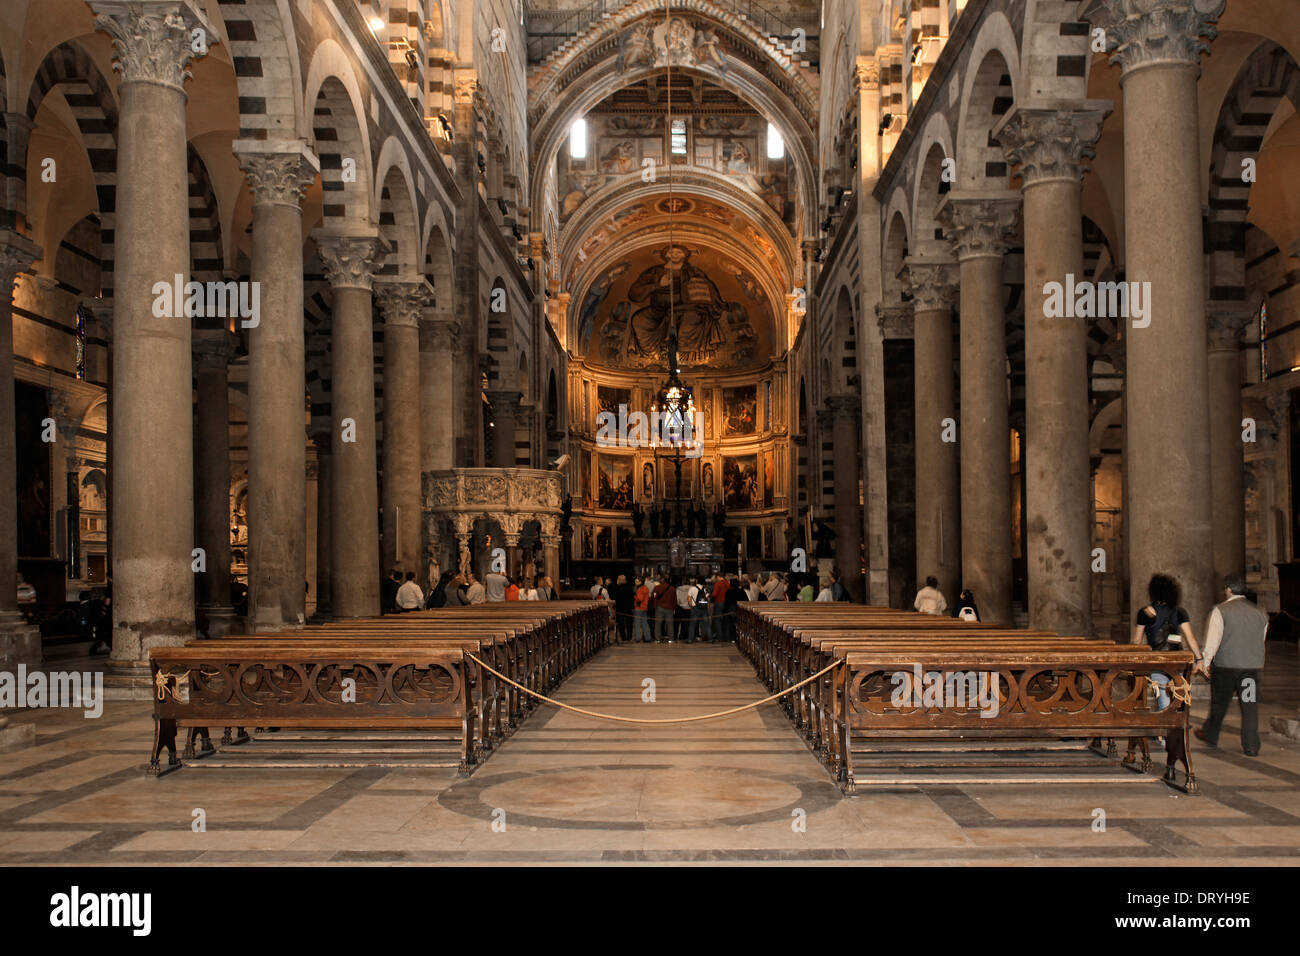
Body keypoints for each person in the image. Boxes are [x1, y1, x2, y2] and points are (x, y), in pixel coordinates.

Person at [1126, 573, 1204, 776]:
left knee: (1161, 696)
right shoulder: (1179, 612)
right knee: (1177, 695)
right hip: (1176, 661)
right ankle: (1175, 731)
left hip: (1158, 660)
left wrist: (1134, 655)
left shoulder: (1146, 612)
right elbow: (1191, 638)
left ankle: (1165, 733)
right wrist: (1199, 659)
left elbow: (1136, 641)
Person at [1195, 574, 1268, 757]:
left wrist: (1206, 661)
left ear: (1228, 589)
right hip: (1251, 668)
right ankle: (1251, 745)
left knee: (1220, 703)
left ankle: (1211, 735)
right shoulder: (1260, 612)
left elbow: (1213, 640)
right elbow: (1261, 639)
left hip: (1226, 667)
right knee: (1249, 705)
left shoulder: (1221, 610)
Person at [611, 574, 635, 643]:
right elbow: (632, 598)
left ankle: (623, 637)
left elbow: (614, 598)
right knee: (629, 624)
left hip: (619, 608)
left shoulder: (616, 588)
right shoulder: (629, 588)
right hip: (628, 608)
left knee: (621, 624)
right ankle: (629, 637)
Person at [689, 576, 712, 643]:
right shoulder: (705, 589)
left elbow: (689, 599)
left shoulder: (692, 588)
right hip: (704, 609)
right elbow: (708, 599)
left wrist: (691, 606)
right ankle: (710, 639)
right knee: (707, 624)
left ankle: (690, 639)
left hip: (695, 608)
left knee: (692, 625)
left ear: (697, 581)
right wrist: (708, 608)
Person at [653, 575, 676, 642]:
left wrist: (654, 605)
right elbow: (674, 599)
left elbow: (654, 597)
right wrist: (673, 608)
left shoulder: (657, 588)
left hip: (659, 608)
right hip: (669, 608)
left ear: (661, 580)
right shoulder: (672, 588)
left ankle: (657, 639)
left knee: (658, 624)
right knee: (670, 624)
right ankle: (671, 639)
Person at [721, 575, 744, 642]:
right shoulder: (741, 591)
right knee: (738, 625)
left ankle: (730, 638)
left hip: (730, 610)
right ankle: (738, 638)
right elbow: (746, 600)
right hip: (739, 610)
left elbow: (726, 602)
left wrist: (724, 610)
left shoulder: (728, 592)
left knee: (730, 625)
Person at [676, 577, 699, 642]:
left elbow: (677, 599)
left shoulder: (678, 589)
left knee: (683, 623)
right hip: (690, 607)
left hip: (682, 607)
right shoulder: (692, 588)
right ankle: (690, 636)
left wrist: (681, 603)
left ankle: (682, 635)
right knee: (691, 623)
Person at [633, 576, 652, 643]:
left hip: (639, 608)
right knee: (644, 623)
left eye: (637, 581)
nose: (635, 582)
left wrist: (634, 596)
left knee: (637, 624)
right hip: (644, 607)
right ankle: (647, 638)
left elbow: (640, 599)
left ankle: (637, 638)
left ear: (641, 582)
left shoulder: (640, 588)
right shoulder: (646, 588)